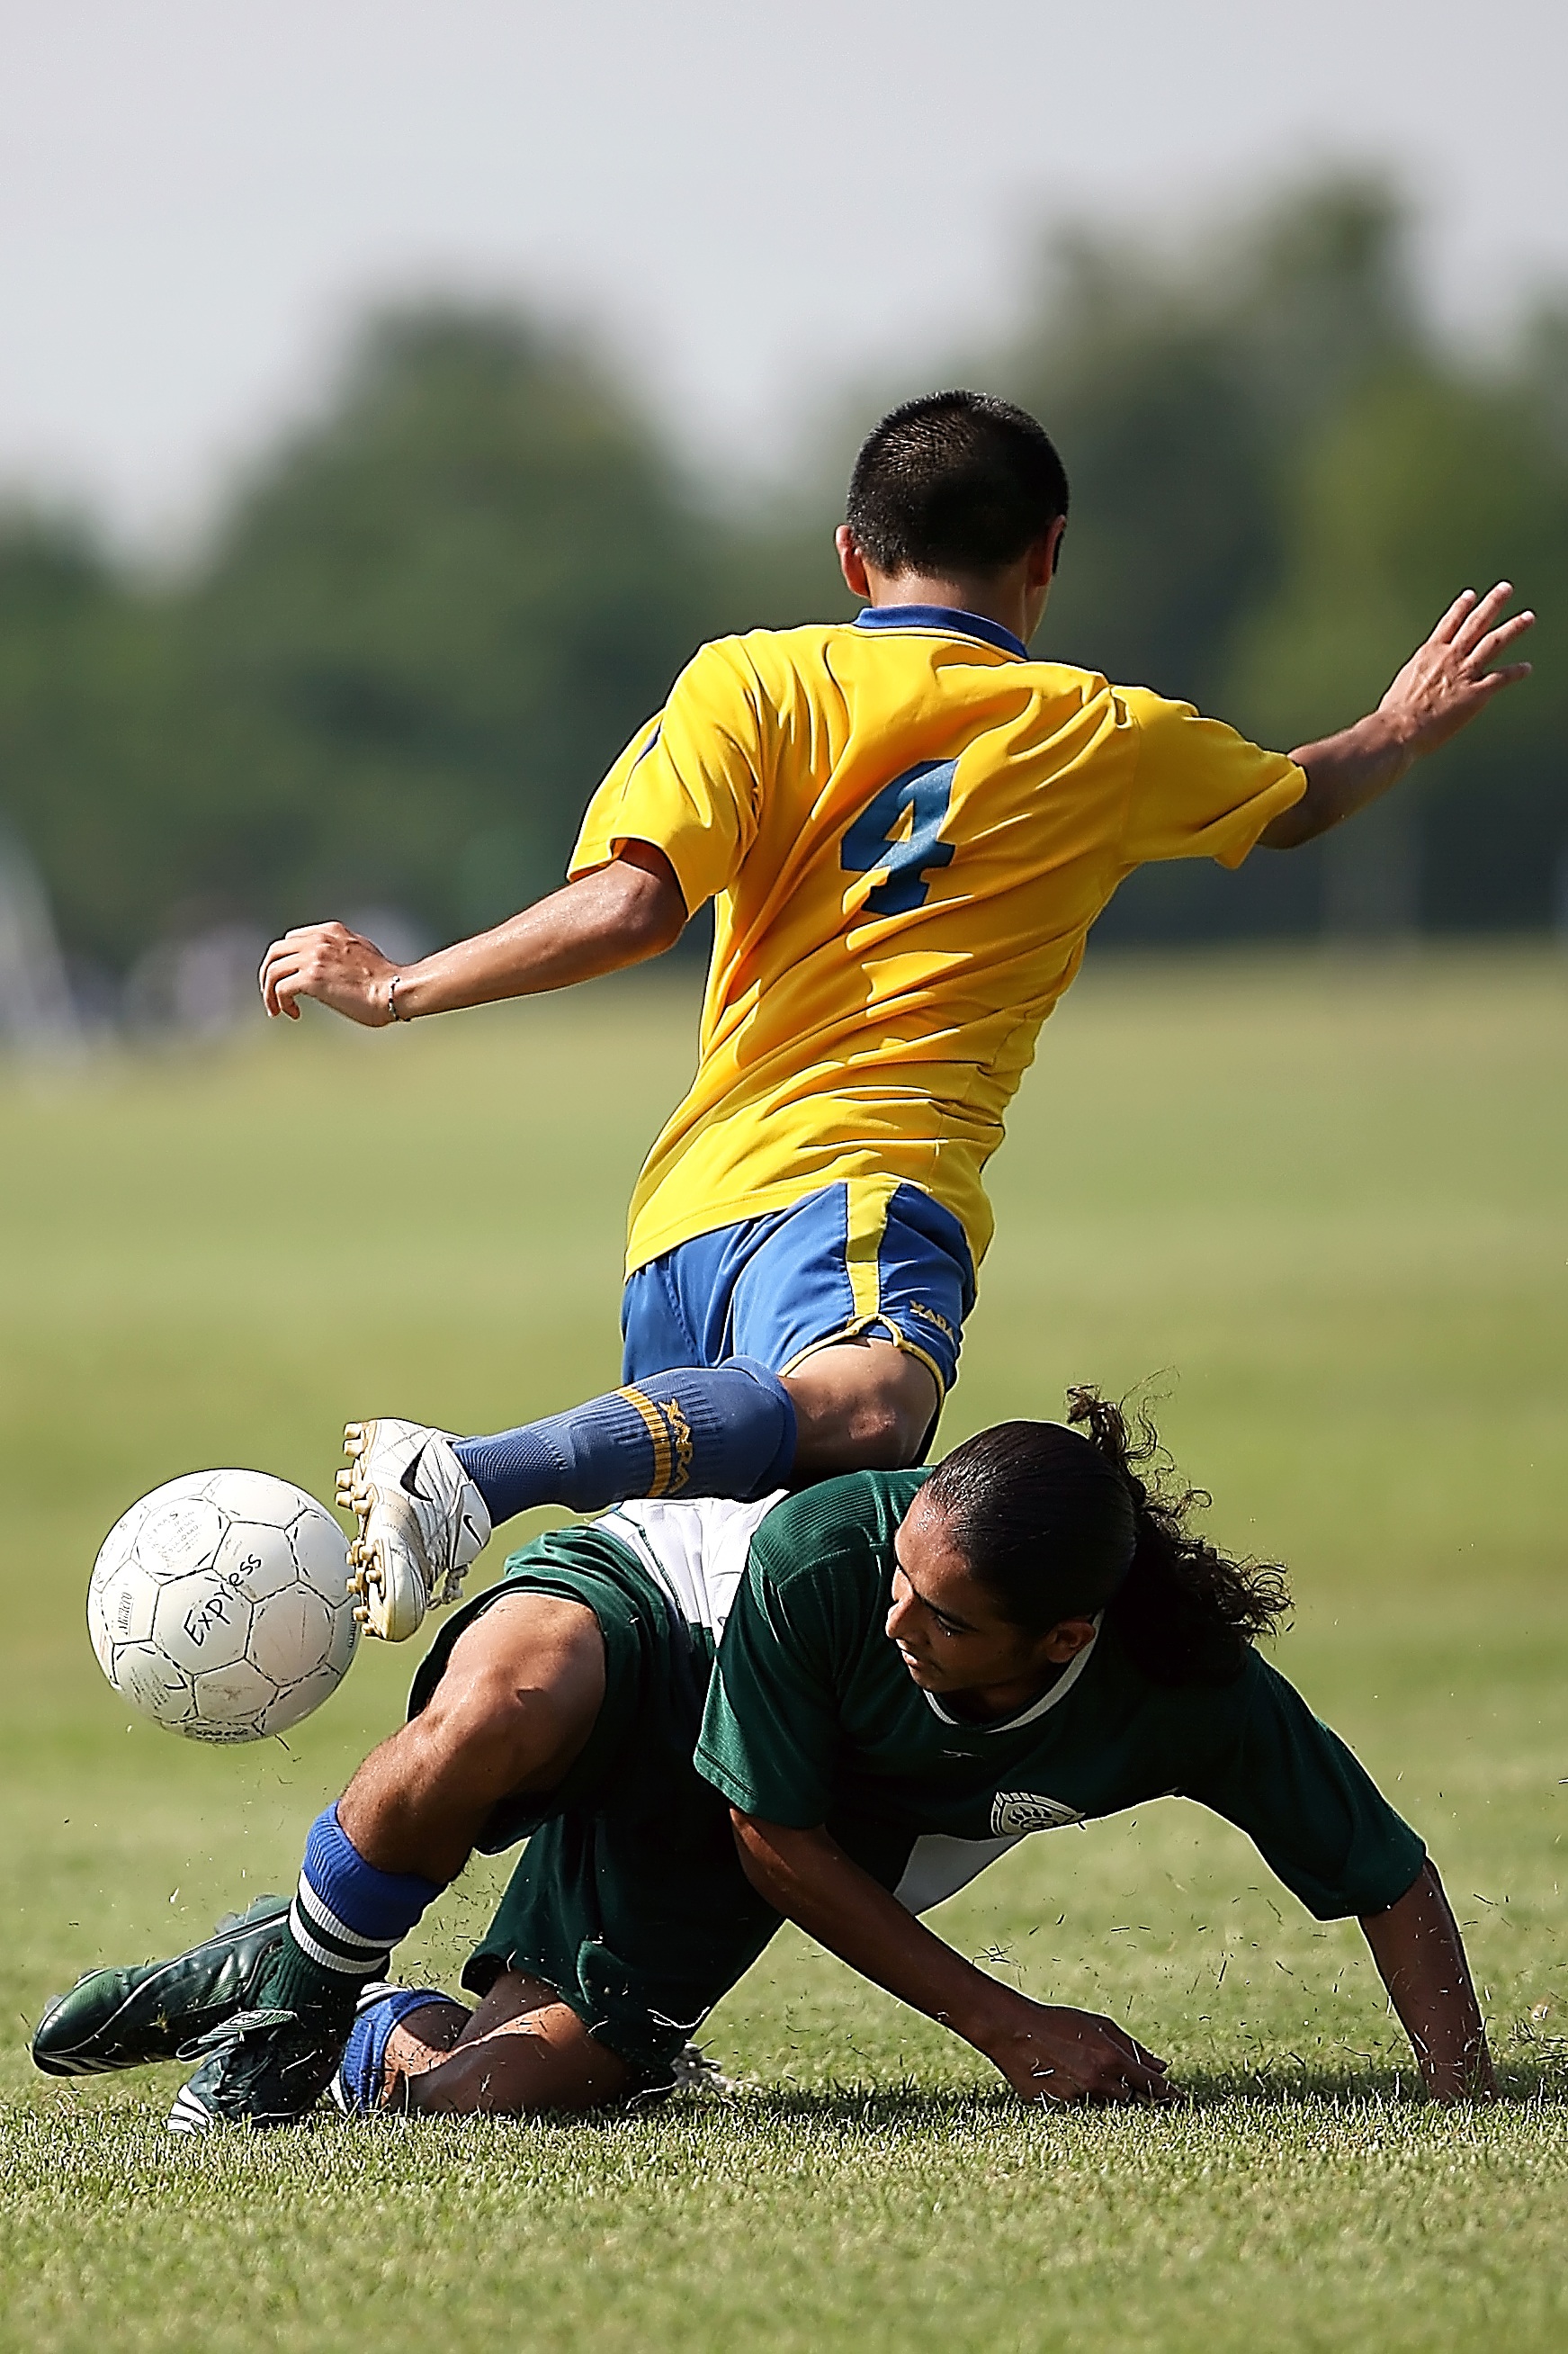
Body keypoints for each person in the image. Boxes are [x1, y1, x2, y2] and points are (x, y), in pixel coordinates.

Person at [255, 392, 1534, 1644]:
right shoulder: (1100, 733)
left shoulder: (750, 679)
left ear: (854, 557)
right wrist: (1402, 725)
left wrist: (402, 987)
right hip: (868, 1183)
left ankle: (373, 1856)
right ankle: (472, 1478)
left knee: (733, 1654)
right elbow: (1295, 799)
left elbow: (632, 910)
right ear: (1050, 554)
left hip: (686, 1222)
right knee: (870, 1412)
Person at [34, 1394, 1492, 2125]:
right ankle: (289, 2003)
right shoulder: (826, 1556)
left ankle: (353, 2016)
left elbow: (1384, 1869)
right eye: (902, 1573)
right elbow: (774, 1847)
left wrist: (1458, 2088)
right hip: (663, 1619)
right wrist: (1012, 2028)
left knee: (491, 2108)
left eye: (945, 1613)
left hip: (755, 1800)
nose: (898, 1612)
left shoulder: (1188, 1696)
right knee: (492, 1715)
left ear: (1060, 1641)